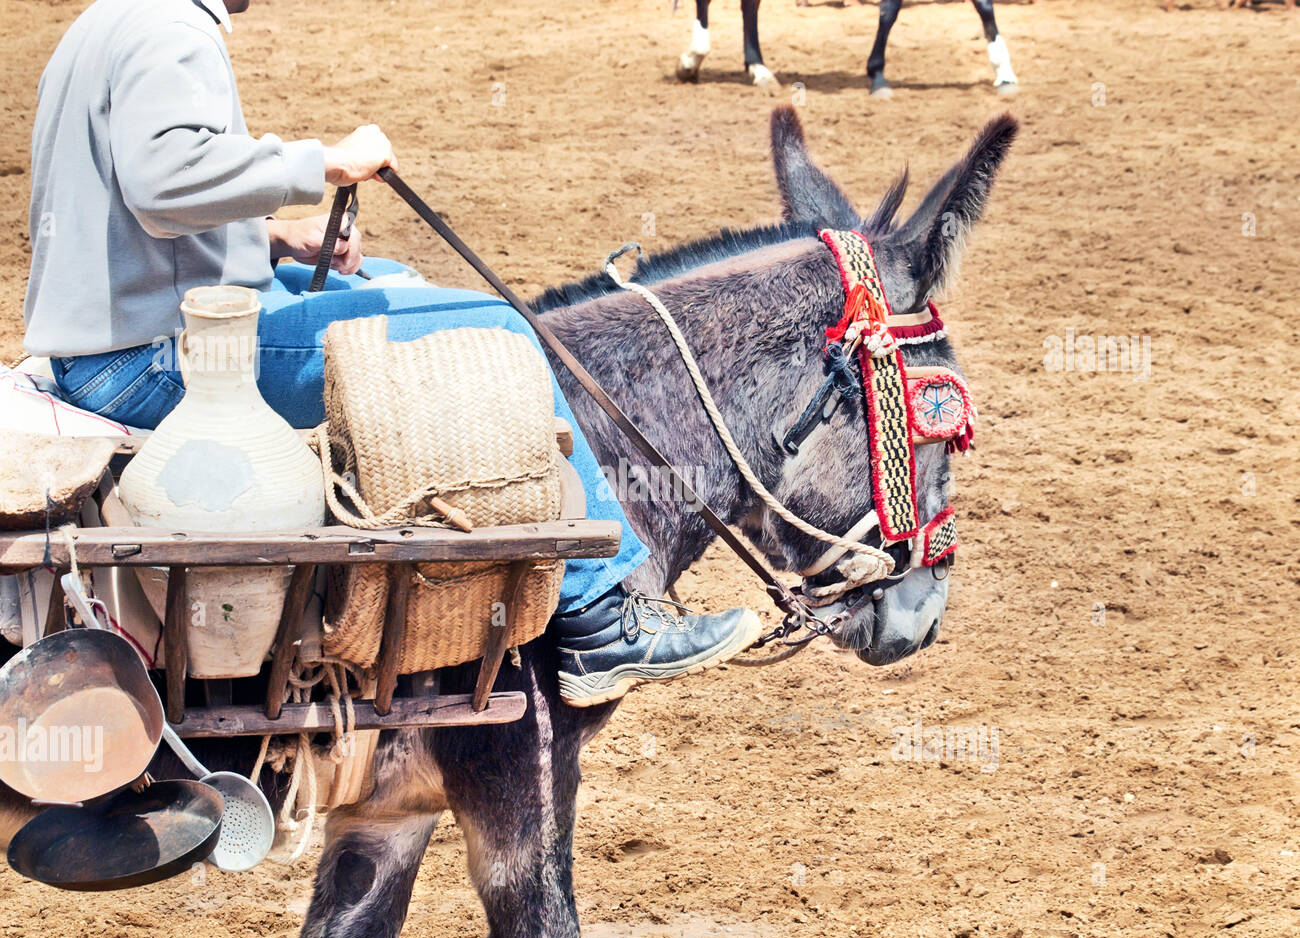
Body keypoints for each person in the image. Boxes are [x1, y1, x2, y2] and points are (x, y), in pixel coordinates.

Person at [24, 0, 762, 708]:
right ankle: (601, 619)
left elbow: (128, 206)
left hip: (123, 340)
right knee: (494, 330)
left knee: (394, 284)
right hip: (161, 360)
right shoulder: (170, 24)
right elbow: (163, 182)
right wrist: (329, 161)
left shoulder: (108, 19)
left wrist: (277, 238)